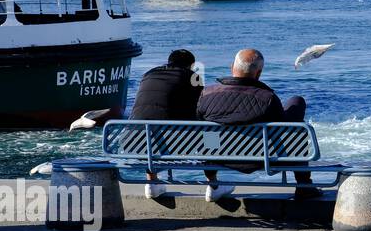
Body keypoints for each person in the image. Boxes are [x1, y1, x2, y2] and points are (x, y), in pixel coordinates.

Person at [197, 48, 315, 202]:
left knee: (209, 133)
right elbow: (283, 133)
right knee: (296, 111)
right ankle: (304, 185)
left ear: (232, 67)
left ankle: (212, 183)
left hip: (218, 157)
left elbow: (200, 129)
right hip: (258, 158)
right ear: (258, 73)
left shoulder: (206, 94)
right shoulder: (267, 98)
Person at [129, 49, 204, 199]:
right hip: (169, 143)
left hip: (131, 142)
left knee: (149, 124)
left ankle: (152, 183)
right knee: (211, 134)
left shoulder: (148, 74)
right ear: (191, 65)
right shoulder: (193, 77)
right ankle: (213, 184)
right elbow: (200, 109)